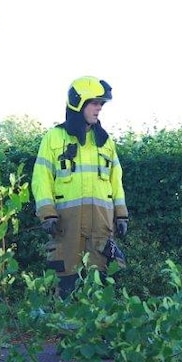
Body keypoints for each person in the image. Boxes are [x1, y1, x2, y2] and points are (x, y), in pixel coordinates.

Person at [31, 76, 129, 298]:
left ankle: (100, 333)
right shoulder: (54, 138)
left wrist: (121, 215)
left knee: (100, 284)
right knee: (68, 283)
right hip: (66, 228)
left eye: (101, 104)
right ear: (78, 103)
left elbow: (116, 181)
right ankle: (67, 333)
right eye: (94, 103)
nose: (99, 109)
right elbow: (41, 178)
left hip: (101, 228)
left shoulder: (106, 142)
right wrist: (47, 214)